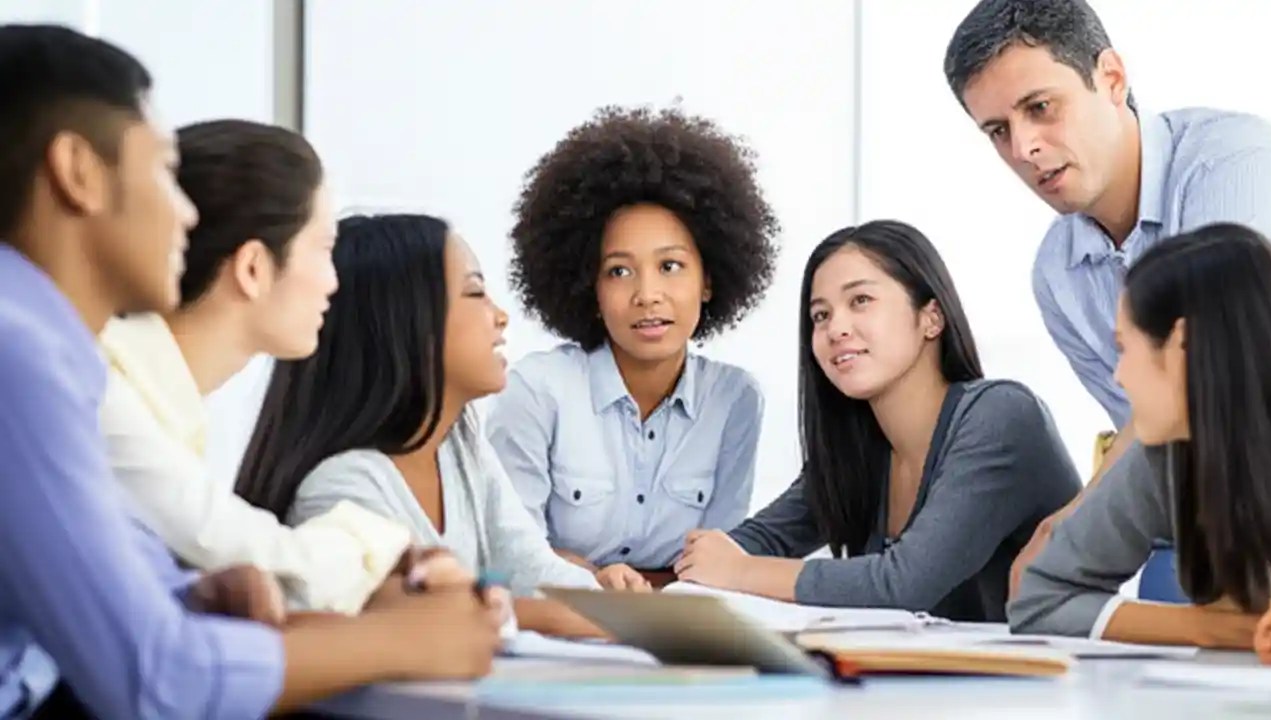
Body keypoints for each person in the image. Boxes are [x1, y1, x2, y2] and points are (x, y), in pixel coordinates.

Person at [0, 25, 499, 719]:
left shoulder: (53, 358)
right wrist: (398, 641)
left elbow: (112, 592)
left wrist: (191, 599)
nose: (185, 213)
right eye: (162, 172)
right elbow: (155, 682)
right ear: (77, 170)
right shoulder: (17, 358)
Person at [943, 0, 1271, 594]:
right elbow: (1149, 431)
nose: (1024, 148)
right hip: (1199, 527)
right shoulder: (1058, 273)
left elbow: (1210, 377)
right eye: (998, 131)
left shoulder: (1235, 165)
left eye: (1040, 108)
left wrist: (1072, 522)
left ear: (1111, 79)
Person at [674, 221, 1079, 622]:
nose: (836, 328)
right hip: (926, 680)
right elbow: (760, 541)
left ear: (931, 318)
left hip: (1049, 680)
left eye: (861, 300)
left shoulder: (1002, 417)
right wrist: (675, 577)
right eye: (820, 315)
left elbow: (904, 584)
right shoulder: (859, 447)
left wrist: (741, 572)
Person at [236, 213, 609, 637]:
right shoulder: (343, 485)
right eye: (475, 293)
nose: (501, 316)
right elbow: (411, 616)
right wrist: (565, 616)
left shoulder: (459, 451)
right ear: (406, 323)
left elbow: (533, 571)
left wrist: (620, 608)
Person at [99, 118, 416, 615]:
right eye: (325, 249)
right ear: (254, 268)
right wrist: (387, 546)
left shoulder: (159, 401)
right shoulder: (100, 388)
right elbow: (263, 559)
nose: (335, 282)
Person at [489, 105, 778, 590]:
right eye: (619, 271)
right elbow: (511, 552)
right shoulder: (538, 390)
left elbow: (718, 562)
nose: (647, 294)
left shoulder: (735, 400)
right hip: (558, 624)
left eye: (670, 267)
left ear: (708, 280)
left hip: (678, 630)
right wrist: (598, 579)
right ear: (591, 289)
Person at [1009, 223, 1271, 660]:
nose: (1118, 375)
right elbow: (1041, 599)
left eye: (1125, 347)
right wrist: (1217, 628)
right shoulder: (1166, 453)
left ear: (1182, 344)